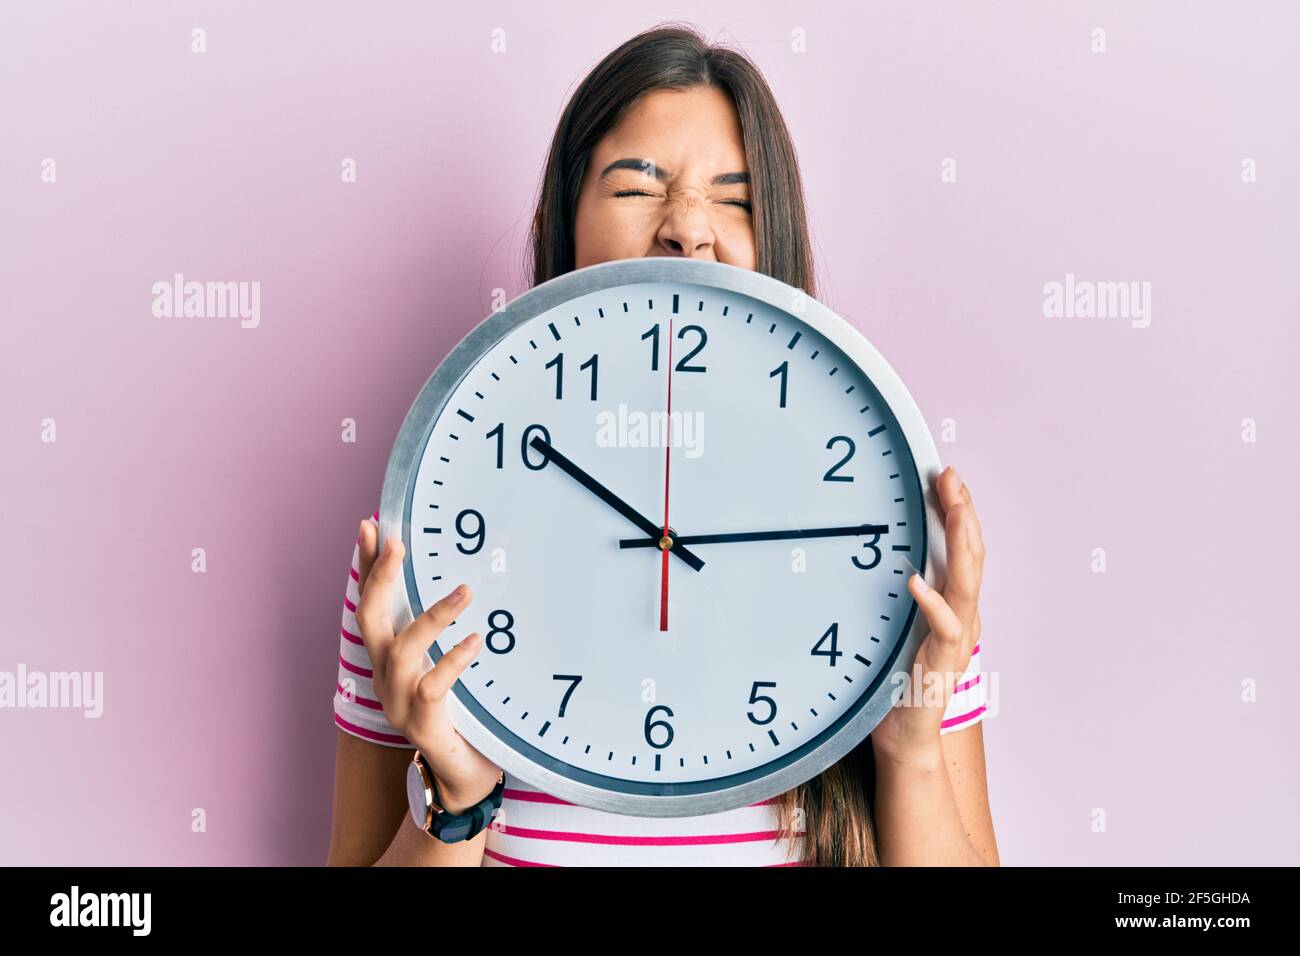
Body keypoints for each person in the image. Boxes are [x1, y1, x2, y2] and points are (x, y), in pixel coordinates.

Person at [326, 23, 997, 867]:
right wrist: (460, 799)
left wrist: (908, 744)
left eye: (735, 197)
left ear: (775, 238)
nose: (687, 228)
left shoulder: (900, 540)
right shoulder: (413, 548)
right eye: (639, 188)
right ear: (558, 223)